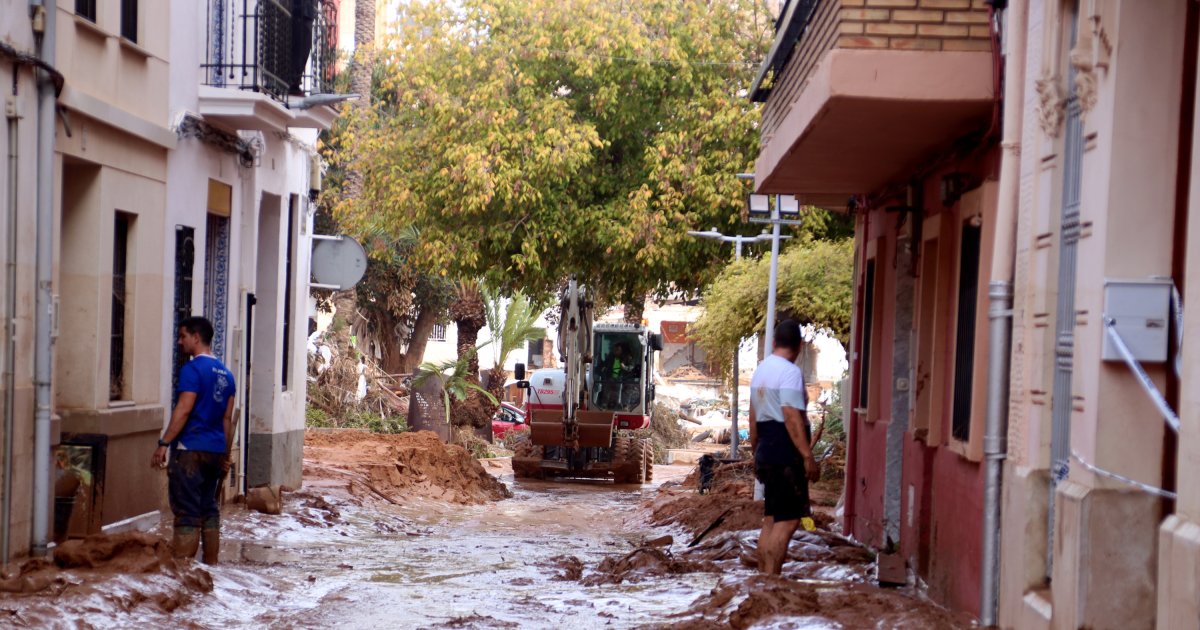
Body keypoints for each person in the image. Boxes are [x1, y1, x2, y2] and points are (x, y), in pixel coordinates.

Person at [151, 317, 236, 564]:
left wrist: (164, 442)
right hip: (215, 451)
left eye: (183, 336)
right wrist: (224, 453)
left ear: (196, 338)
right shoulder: (227, 375)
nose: (179, 342)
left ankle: (183, 573)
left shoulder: (192, 369)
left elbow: (184, 409)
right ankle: (211, 567)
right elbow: (227, 419)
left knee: (187, 511)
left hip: (190, 450)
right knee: (209, 508)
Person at [748, 319, 819, 575]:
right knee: (788, 520)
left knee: (771, 519)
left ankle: (763, 578)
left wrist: (757, 452)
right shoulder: (790, 372)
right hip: (785, 451)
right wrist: (807, 456)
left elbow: (752, 417)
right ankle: (772, 579)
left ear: (774, 342)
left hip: (767, 447)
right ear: (799, 346)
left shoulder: (761, 370)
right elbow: (791, 415)